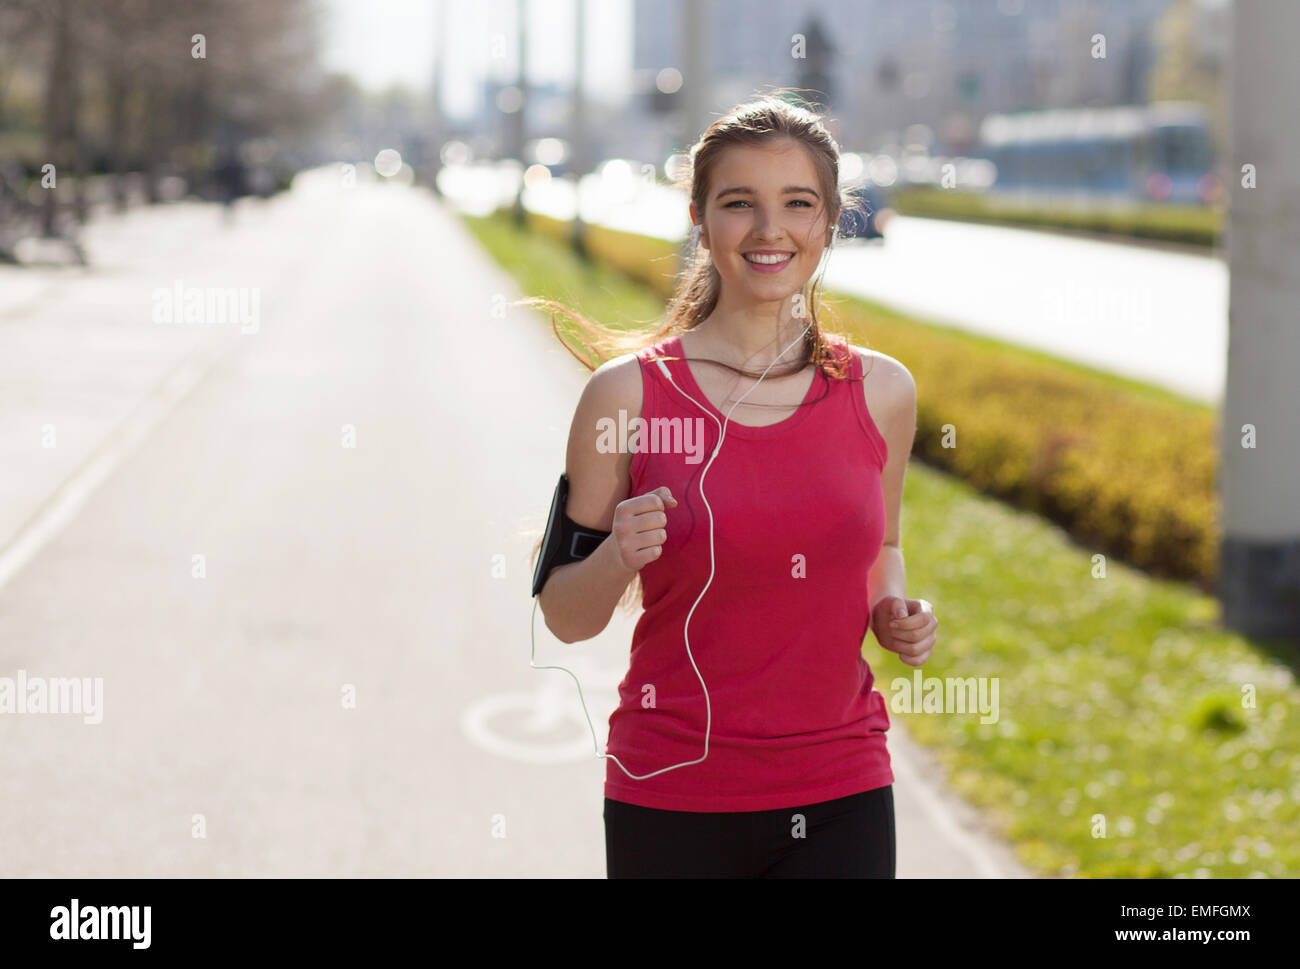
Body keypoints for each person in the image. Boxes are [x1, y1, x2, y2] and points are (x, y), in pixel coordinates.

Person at [529, 93, 938, 878]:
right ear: (699, 216)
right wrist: (617, 555)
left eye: (797, 203)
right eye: (738, 203)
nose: (769, 229)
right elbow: (564, 616)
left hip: (840, 785)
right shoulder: (627, 397)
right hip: (673, 793)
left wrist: (895, 607)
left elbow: (882, 543)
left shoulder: (882, 391)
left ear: (828, 221)